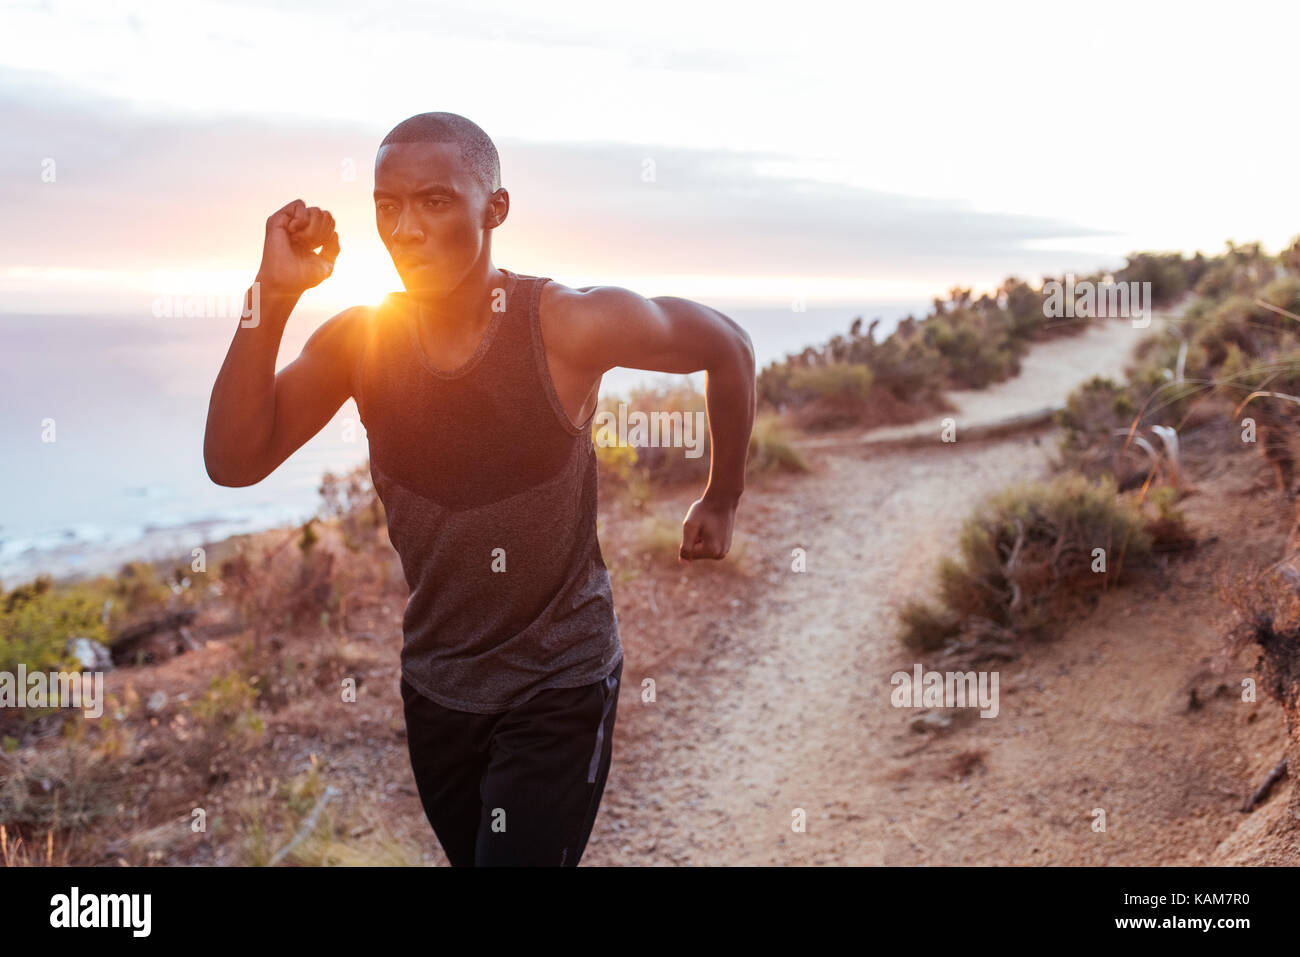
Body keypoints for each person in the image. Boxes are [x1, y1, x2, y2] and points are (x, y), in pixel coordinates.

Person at [203, 112, 756, 866]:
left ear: (494, 208)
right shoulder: (360, 342)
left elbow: (728, 346)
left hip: (559, 681)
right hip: (439, 688)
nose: (406, 229)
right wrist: (271, 291)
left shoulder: (566, 325)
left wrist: (722, 497)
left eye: (434, 201)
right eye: (387, 206)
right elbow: (234, 460)